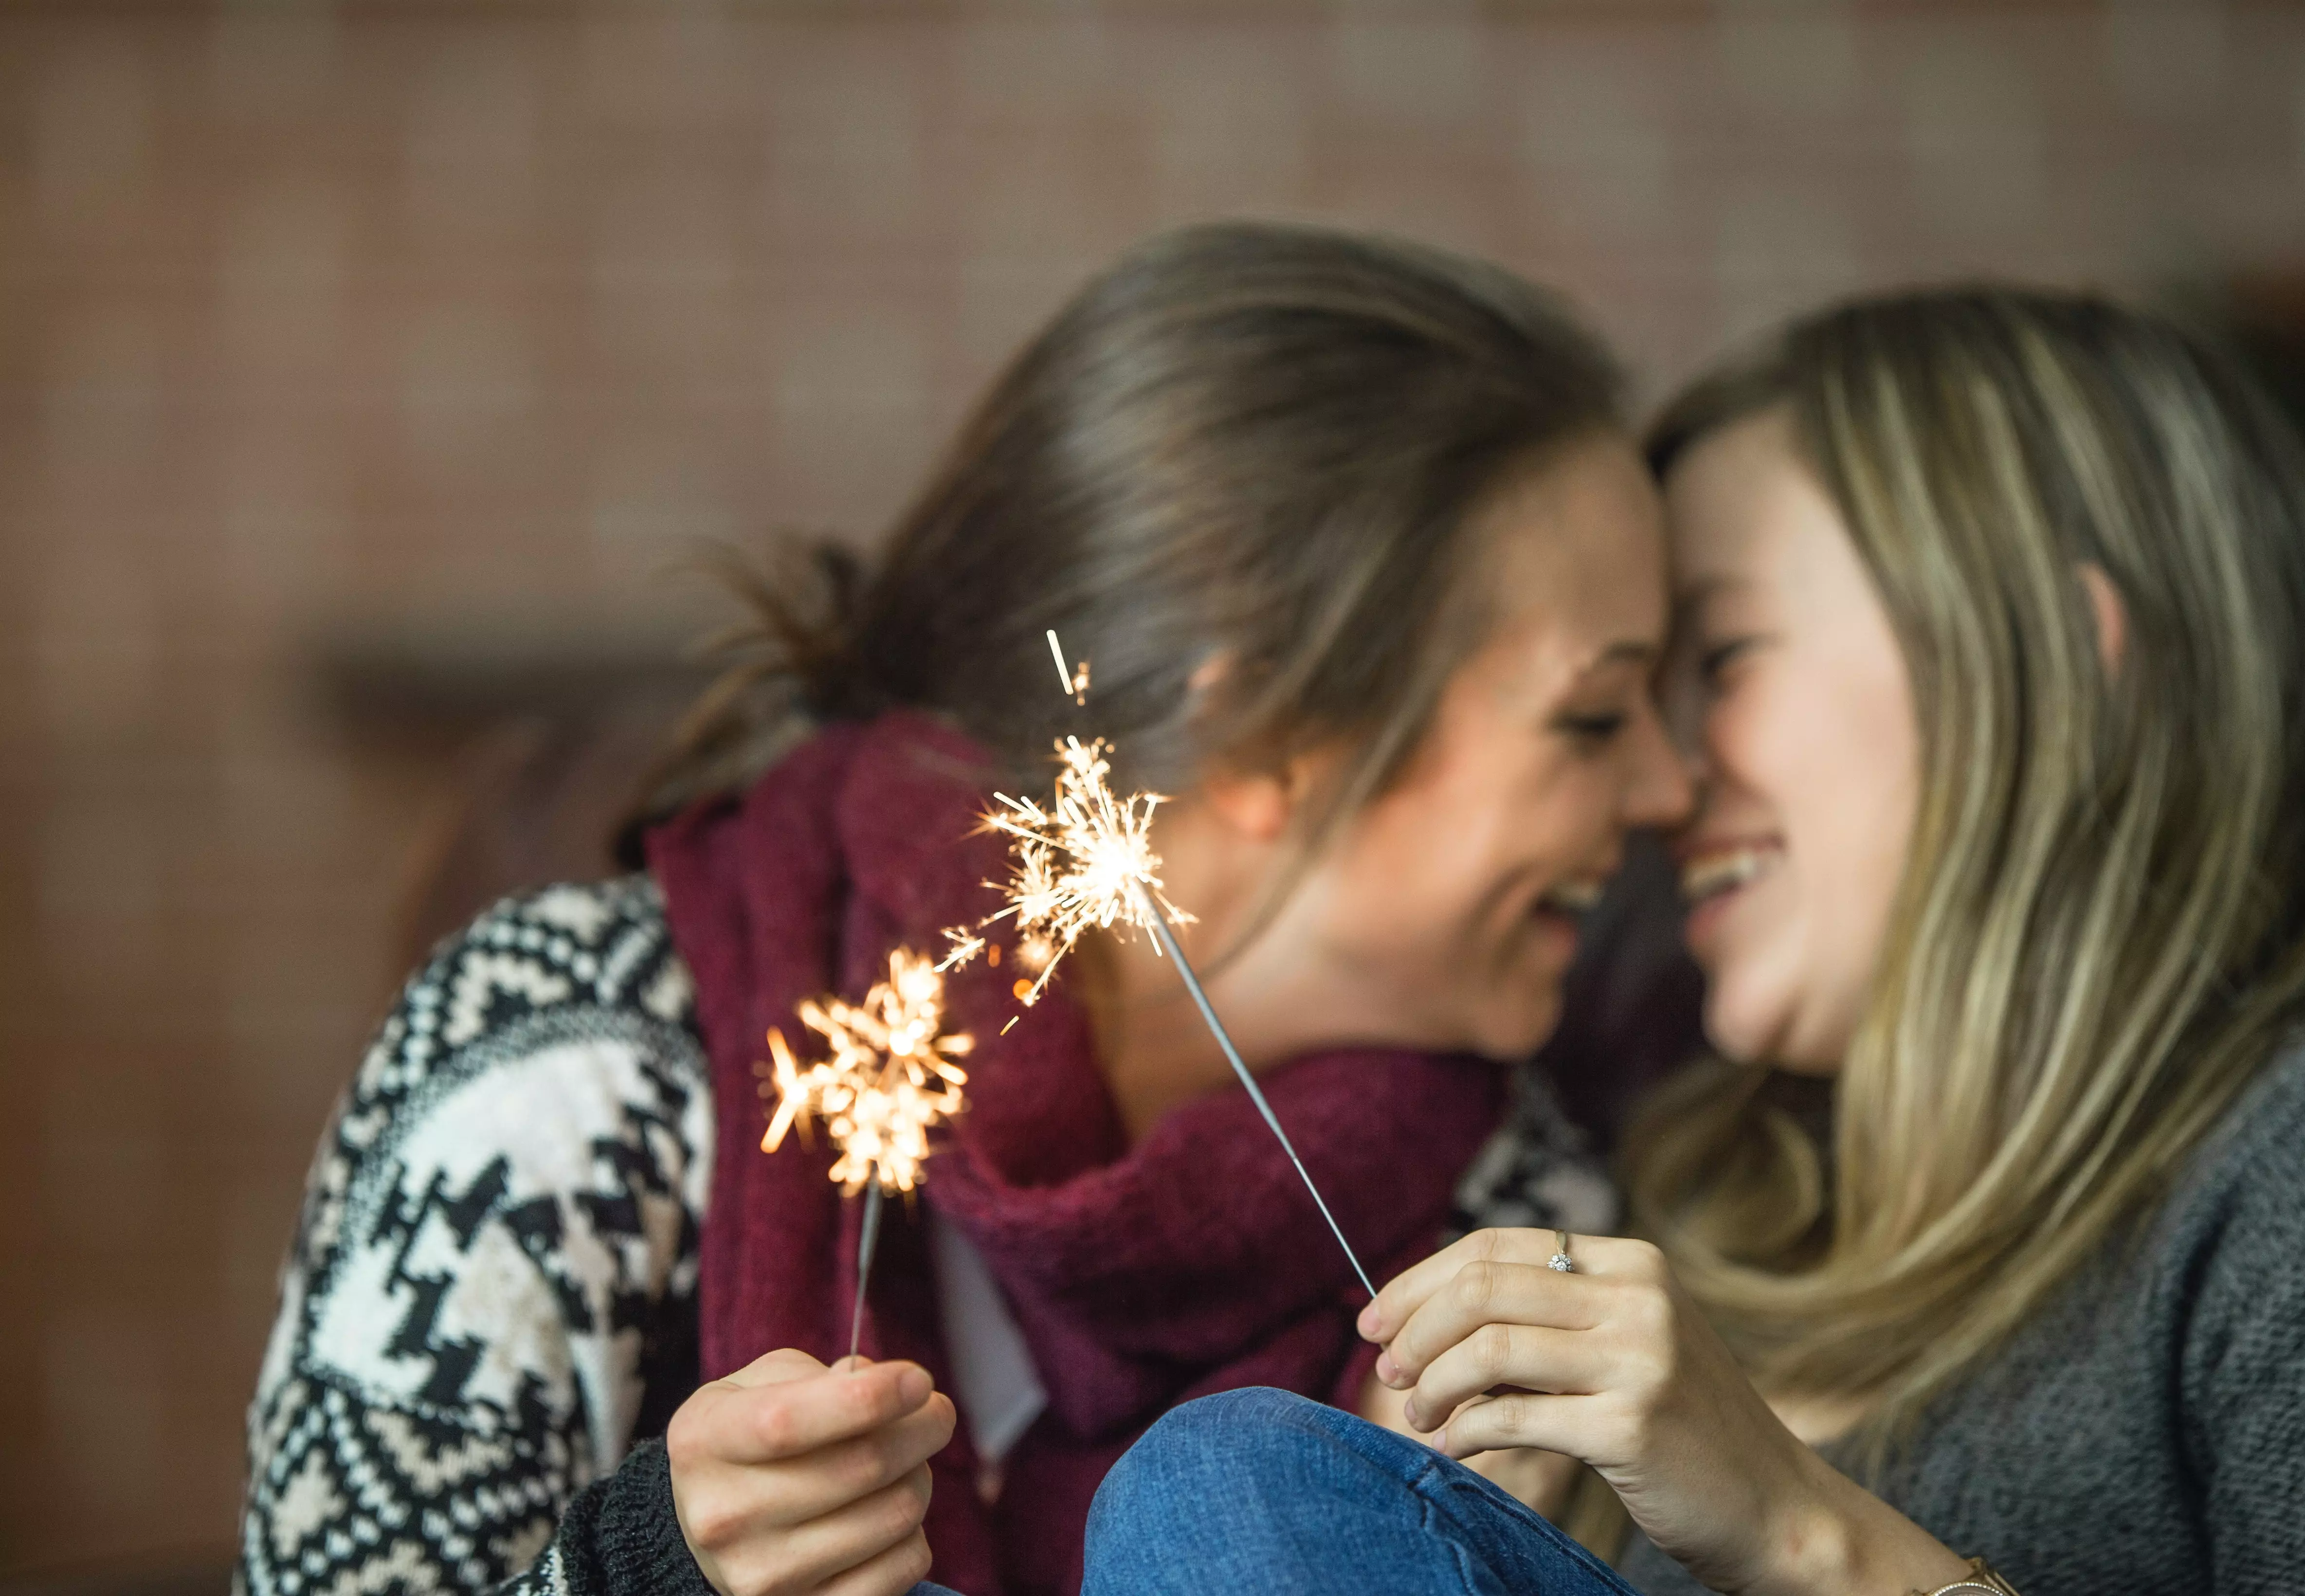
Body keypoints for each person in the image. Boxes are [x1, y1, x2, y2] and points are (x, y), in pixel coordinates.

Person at [234, 222, 1691, 1596]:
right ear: (1266, 735)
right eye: (1595, 716)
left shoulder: (1516, 1218)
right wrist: (639, 1570)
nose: (1669, 791)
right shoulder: (577, 1072)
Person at [1082, 287, 2305, 1596]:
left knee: (1223, 1481)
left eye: (1726, 661)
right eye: (1623, 707)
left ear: (2055, 654)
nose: (1658, 792)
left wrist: (1799, 1535)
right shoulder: (1666, 1208)